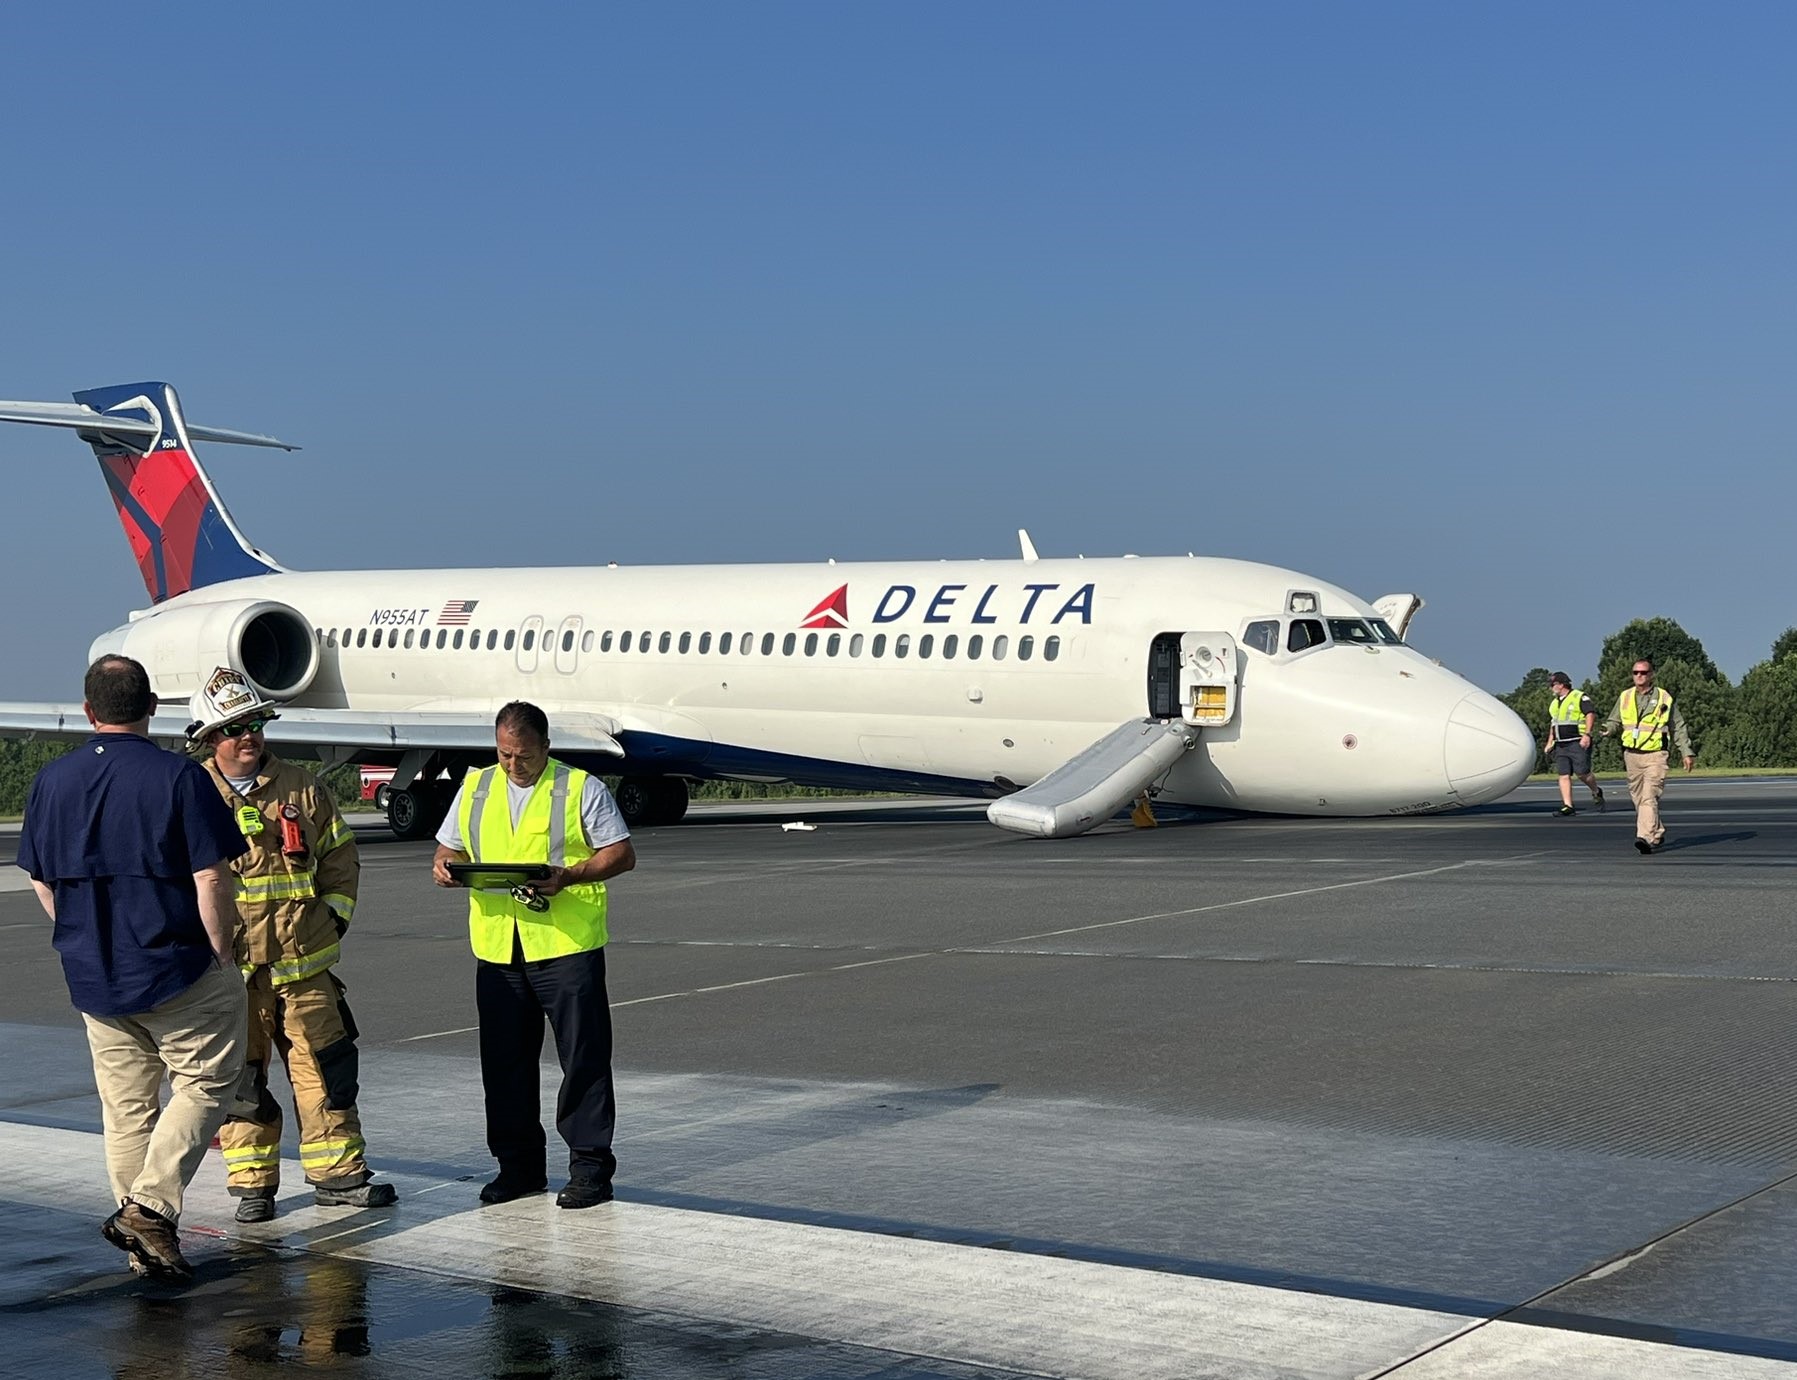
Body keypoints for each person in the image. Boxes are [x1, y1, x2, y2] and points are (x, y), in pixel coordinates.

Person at [14, 655, 249, 1281]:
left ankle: (145, 1244)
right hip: (177, 967)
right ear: (151, 706)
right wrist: (221, 949)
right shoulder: (180, 777)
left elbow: (41, 879)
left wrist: (81, 934)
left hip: (95, 974)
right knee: (205, 1083)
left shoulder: (52, 781)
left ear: (89, 712)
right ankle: (149, 1210)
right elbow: (210, 875)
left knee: (127, 1111)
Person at [186, 667, 398, 1221]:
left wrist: (330, 920)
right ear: (210, 738)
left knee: (326, 1070)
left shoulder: (302, 787)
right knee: (242, 1080)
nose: (248, 736)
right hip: (233, 973)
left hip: (306, 969)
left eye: (255, 723)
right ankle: (253, 1185)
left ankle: (340, 1176)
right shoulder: (189, 793)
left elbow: (340, 858)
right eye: (234, 727)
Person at [430, 701, 635, 1209]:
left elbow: (621, 854)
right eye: (504, 754)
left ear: (546, 746)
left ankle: (590, 1168)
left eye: (522, 755)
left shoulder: (580, 787)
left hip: (565, 945)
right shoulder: (477, 786)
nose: (513, 764)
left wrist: (571, 875)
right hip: (499, 947)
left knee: (582, 1059)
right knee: (504, 1065)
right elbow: (448, 848)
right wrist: (446, 867)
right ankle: (517, 1168)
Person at [1599, 657, 1697, 853]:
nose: (1639, 676)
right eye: (1636, 672)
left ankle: (1644, 836)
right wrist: (1608, 729)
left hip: (1656, 755)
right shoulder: (1625, 696)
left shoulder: (1664, 698)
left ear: (1651, 675)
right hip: (1632, 756)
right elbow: (1614, 720)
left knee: (1648, 797)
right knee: (1638, 798)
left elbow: (1677, 726)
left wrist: (1686, 751)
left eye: (1643, 673)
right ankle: (1657, 830)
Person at [1541, 671, 1605, 816]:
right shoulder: (1554, 704)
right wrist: (1550, 741)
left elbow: (1590, 714)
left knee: (1582, 773)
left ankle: (1596, 790)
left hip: (1577, 741)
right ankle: (1568, 806)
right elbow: (1554, 723)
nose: (1551, 688)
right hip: (1561, 744)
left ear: (1561, 685)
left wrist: (1587, 734)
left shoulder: (1579, 697)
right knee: (1563, 774)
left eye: (1552, 685)